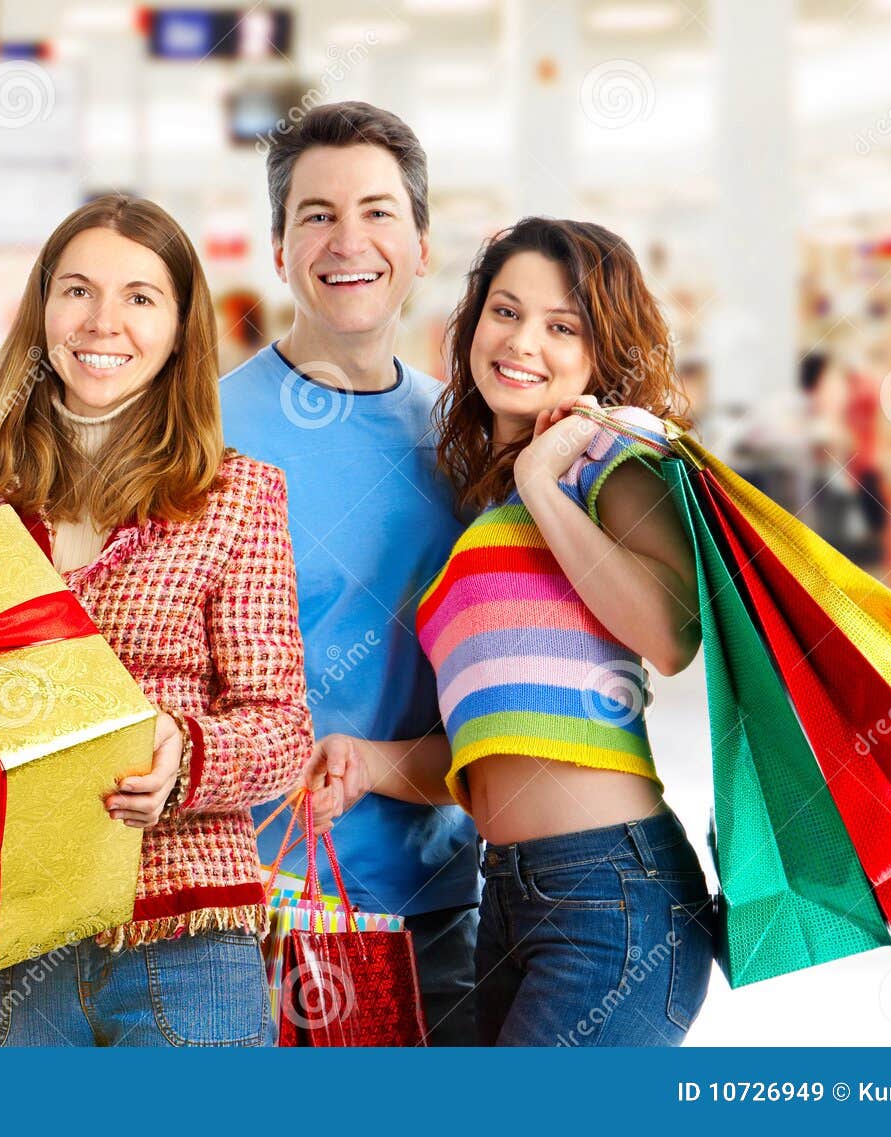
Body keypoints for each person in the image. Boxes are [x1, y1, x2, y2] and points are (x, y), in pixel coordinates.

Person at [312, 217, 714, 1046]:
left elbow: (672, 634)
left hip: (613, 898)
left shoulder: (609, 459)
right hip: (505, 895)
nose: (523, 340)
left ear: (599, 351)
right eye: (505, 310)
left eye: (562, 326)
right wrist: (366, 761)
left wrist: (542, 477)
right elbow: (492, 742)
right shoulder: (479, 515)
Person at [0, 193, 312, 1047]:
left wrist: (186, 753)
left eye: (141, 296)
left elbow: (282, 729)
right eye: (78, 290)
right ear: (43, 310)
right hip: (8, 938)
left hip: (186, 938)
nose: (104, 321)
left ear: (180, 331)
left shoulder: (237, 499)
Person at [220, 101, 481, 1044]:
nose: (348, 240)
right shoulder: (204, 436)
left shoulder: (471, 444)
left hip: (432, 907)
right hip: (239, 912)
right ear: (282, 249)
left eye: (377, 211)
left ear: (420, 242)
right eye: (317, 214)